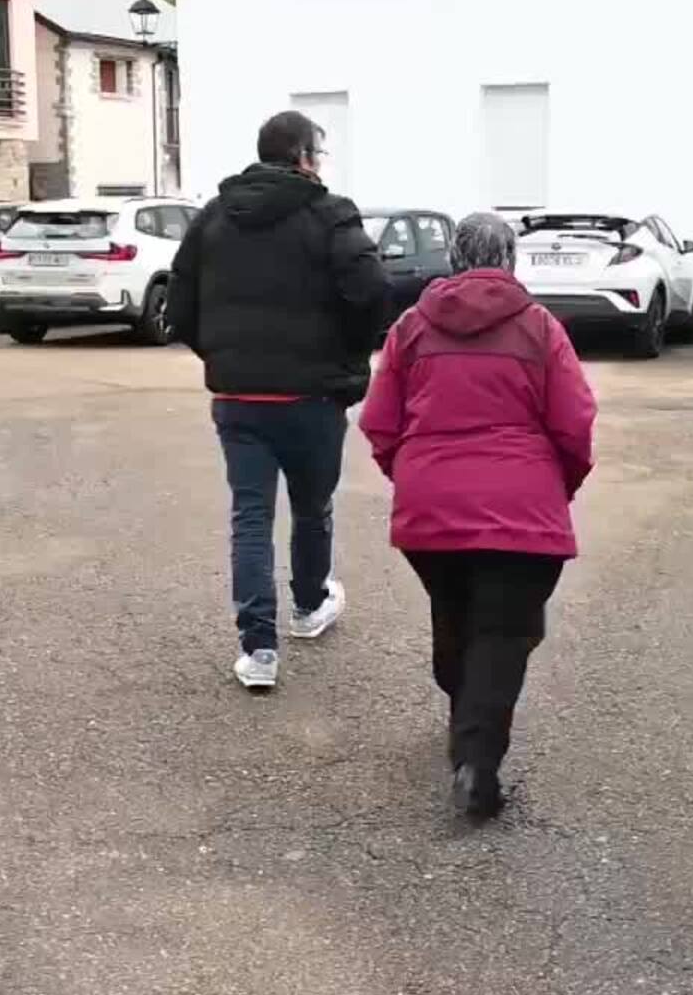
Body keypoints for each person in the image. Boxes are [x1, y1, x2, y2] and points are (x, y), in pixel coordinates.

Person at [359, 213, 596, 819]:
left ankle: (463, 715)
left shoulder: (411, 327)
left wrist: (414, 478)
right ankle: (477, 766)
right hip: (520, 507)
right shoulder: (540, 329)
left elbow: (380, 421)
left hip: (430, 506)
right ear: (511, 259)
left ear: (455, 259)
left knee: (458, 608)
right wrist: (555, 486)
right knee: (505, 630)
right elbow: (574, 422)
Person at [165, 111, 389, 691]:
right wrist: (349, 357)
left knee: (250, 516)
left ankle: (258, 650)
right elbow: (371, 293)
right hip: (312, 398)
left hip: (240, 398)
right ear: (302, 157)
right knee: (312, 507)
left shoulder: (214, 218)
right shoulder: (331, 214)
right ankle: (310, 606)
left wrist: (222, 356)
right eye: (319, 152)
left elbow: (180, 304)